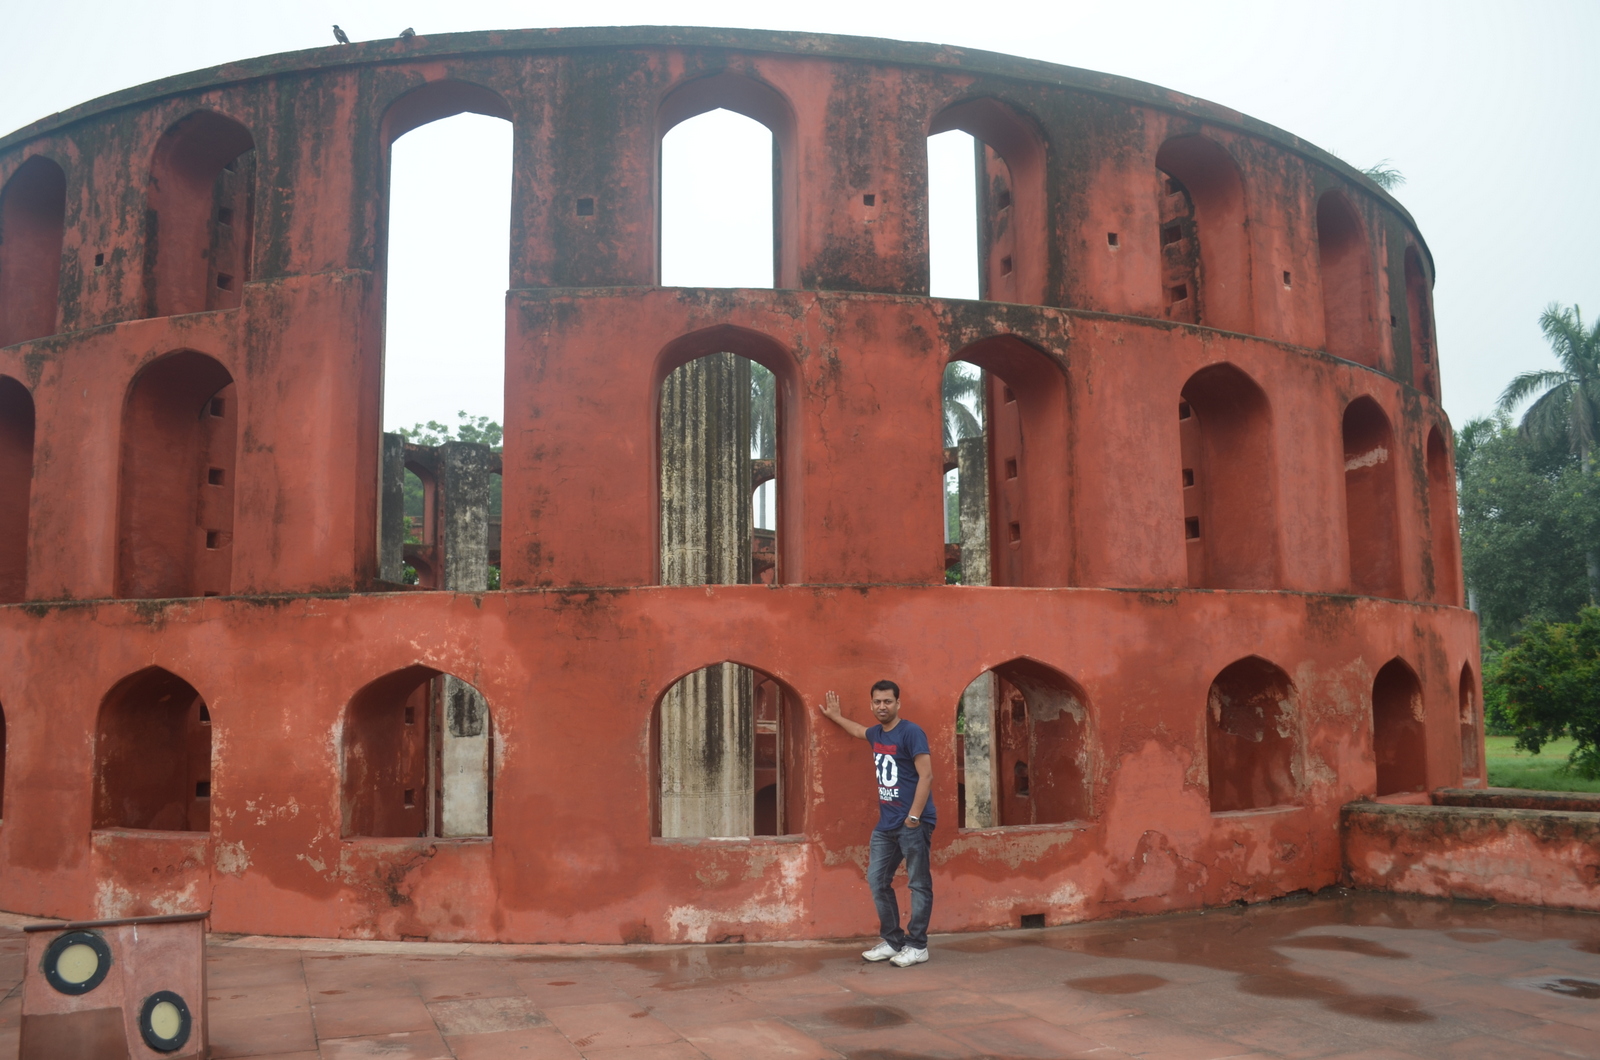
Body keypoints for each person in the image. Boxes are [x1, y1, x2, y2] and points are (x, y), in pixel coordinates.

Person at [817, 680, 935, 967]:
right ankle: (894, 941)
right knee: (877, 880)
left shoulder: (911, 732)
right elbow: (858, 731)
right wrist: (835, 717)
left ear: (898, 704)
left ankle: (918, 945)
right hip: (887, 825)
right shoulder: (876, 734)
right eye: (877, 702)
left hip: (912, 823)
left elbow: (927, 775)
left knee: (918, 884)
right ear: (871, 704)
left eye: (888, 701)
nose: (882, 706)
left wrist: (914, 817)